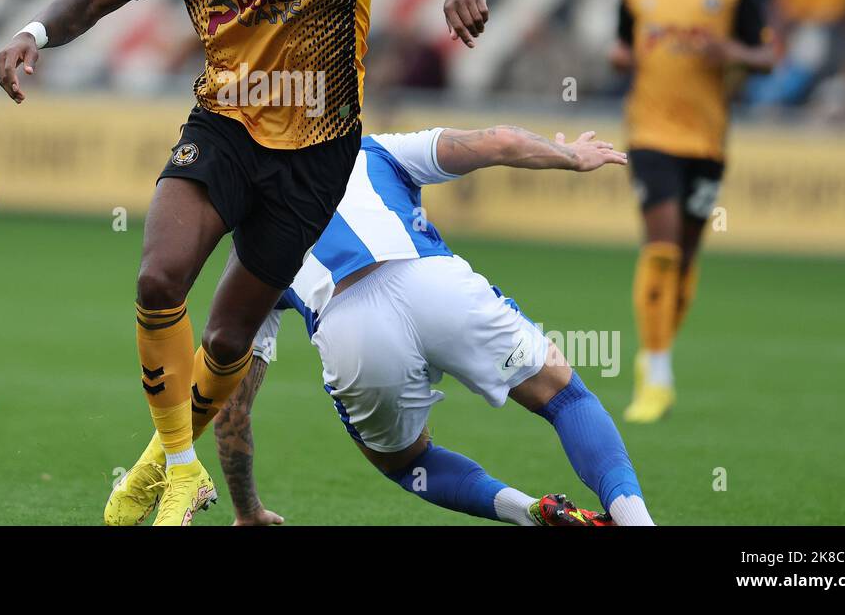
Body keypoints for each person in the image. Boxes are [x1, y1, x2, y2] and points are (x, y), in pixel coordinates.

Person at [0, 0, 490, 524]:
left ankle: (155, 467)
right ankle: (185, 469)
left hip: (316, 153)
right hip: (223, 128)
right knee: (160, 277)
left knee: (228, 337)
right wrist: (32, 31)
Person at [207, 125, 654, 526]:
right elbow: (496, 142)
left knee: (407, 464)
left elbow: (232, 410)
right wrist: (571, 155)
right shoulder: (372, 151)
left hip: (353, 333)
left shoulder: (249, 252)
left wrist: (247, 511)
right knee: (564, 396)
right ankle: (637, 521)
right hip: (435, 286)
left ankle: (529, 513)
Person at [610, 0, 775, 422]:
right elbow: (622, 47)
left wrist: (732, 53)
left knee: (685, 254)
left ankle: (658, 354)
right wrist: (620, 57)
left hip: (707, 141)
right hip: (650, 135)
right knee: (660, 245)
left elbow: (770, 54)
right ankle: (655, 371)